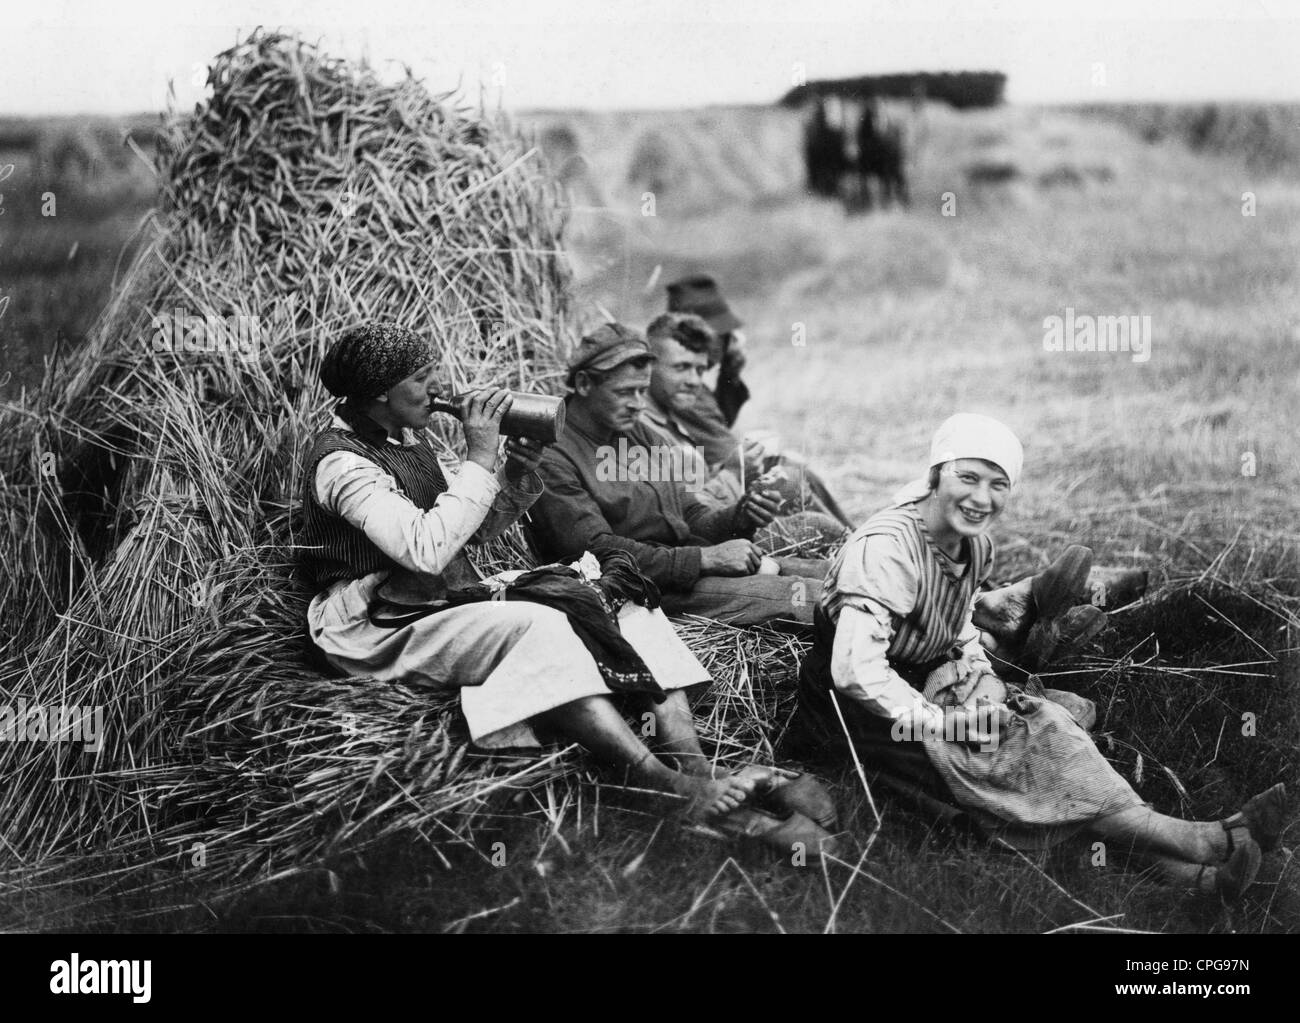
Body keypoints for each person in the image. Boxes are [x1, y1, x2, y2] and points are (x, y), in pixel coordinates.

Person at [787, 412, 1287, 897]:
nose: (981, 498)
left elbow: (956, 625)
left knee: (1044, 727)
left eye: (998, 484)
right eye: (967, 477)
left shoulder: (973, 545)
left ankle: (1194, 879)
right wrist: (940, 721)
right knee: (1002, 759)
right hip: (858, 715)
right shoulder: (886, 549)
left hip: (931, 680)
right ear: (937, 473)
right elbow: (855, 670)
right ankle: (1202, 843)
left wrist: (979, 675)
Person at [298, 323, 767, 820]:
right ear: (378, 392)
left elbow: (467, 532)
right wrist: (480, 455)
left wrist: (512, 474)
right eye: (421, 378)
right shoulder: (343, 464)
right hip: (372, 621)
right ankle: (655, 780)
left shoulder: (408, 438)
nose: (438, 388)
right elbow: (425, 550)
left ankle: (694, 766)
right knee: (542, 625)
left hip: (439, 595)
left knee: (620, 593)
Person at [527, 322, 830, 630]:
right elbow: (594, 554)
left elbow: (688, 514)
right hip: (641, 589)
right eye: (624, 392)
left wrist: (739, 518)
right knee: (817, 598)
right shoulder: (553, 456)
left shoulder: (638, 434)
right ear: (584, 384)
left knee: (838, 574)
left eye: (643, 391)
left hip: (685, 568)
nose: (638, 404)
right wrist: (702, 559)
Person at [641, 312, 851, 558]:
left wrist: (737, 470)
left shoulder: (671, 414)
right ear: (648, 366)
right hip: (703, 546)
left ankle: (863, 544)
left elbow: (697, 482)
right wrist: (731, 472)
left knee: (791, 476)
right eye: (681, 368)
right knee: (818, 527)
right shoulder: (642, 427)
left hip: (722, 521)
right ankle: (861, 556)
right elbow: (682, 517)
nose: (693, 381)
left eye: (699, 370)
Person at [665, 274, 750, 428]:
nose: (725, 343)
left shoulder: (685, 379)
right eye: (719, 334)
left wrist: (730, 374)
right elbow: (720, 438)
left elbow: (717, 425)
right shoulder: (682, 389)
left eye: (725, 334)